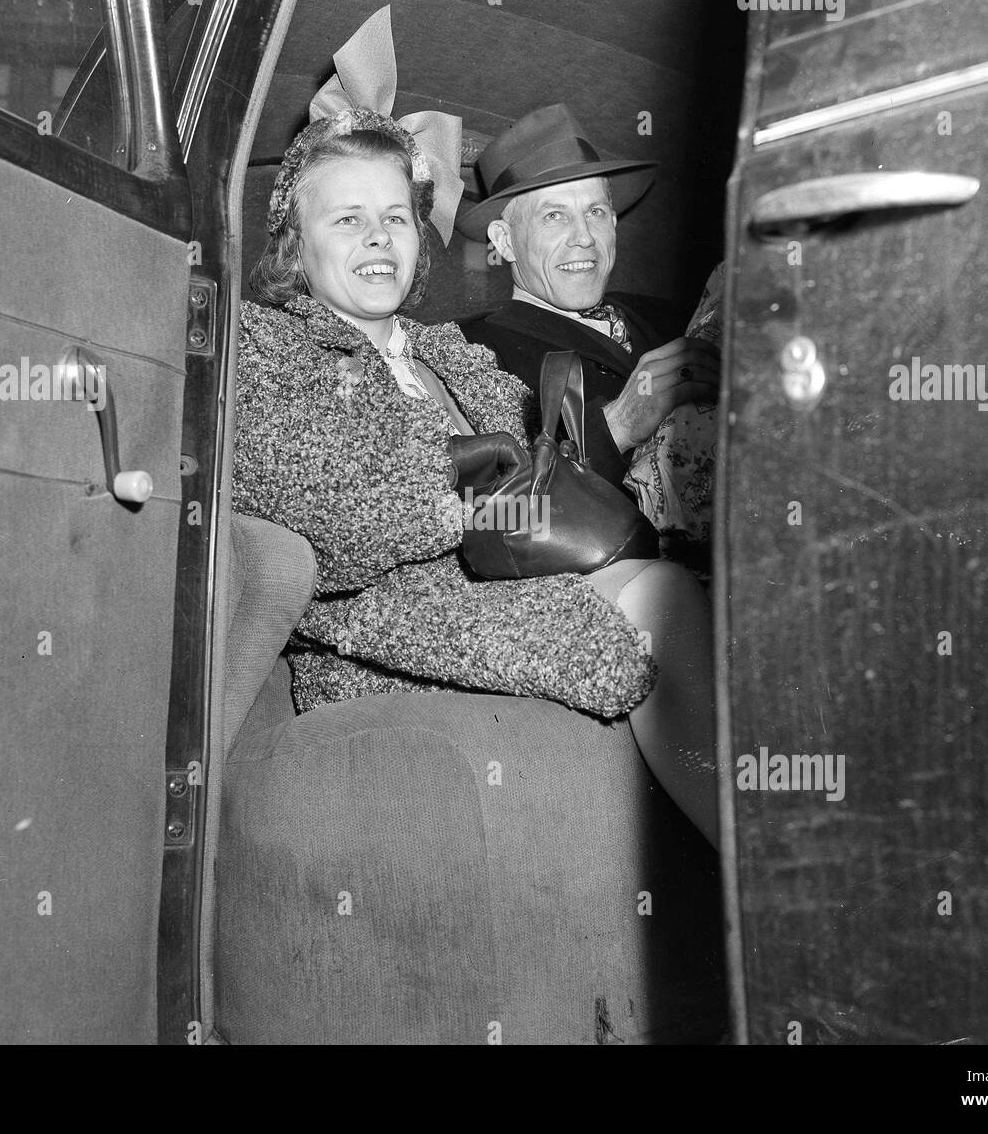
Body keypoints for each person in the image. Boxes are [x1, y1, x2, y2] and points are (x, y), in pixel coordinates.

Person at [232, 106, 718, 845]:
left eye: (396, 217)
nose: (376, 237)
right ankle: (759, 868)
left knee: (673, 594)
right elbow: (321, 510)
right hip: (392, 620)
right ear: (296, 245)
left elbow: (546, 485)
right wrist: (480, 491)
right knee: (656, 608)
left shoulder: (447, 353)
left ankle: (750, 852)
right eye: (347, 220)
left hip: (518, 578)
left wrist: (519, 485)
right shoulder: (265, 348)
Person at [456, 104, 720, 496]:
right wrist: (616, 426)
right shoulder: (469, 353)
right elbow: (490, 516)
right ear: (504, 240)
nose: (584, 236)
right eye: (554, 216)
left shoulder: (676, 315)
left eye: (595, 211)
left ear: (613, 222)